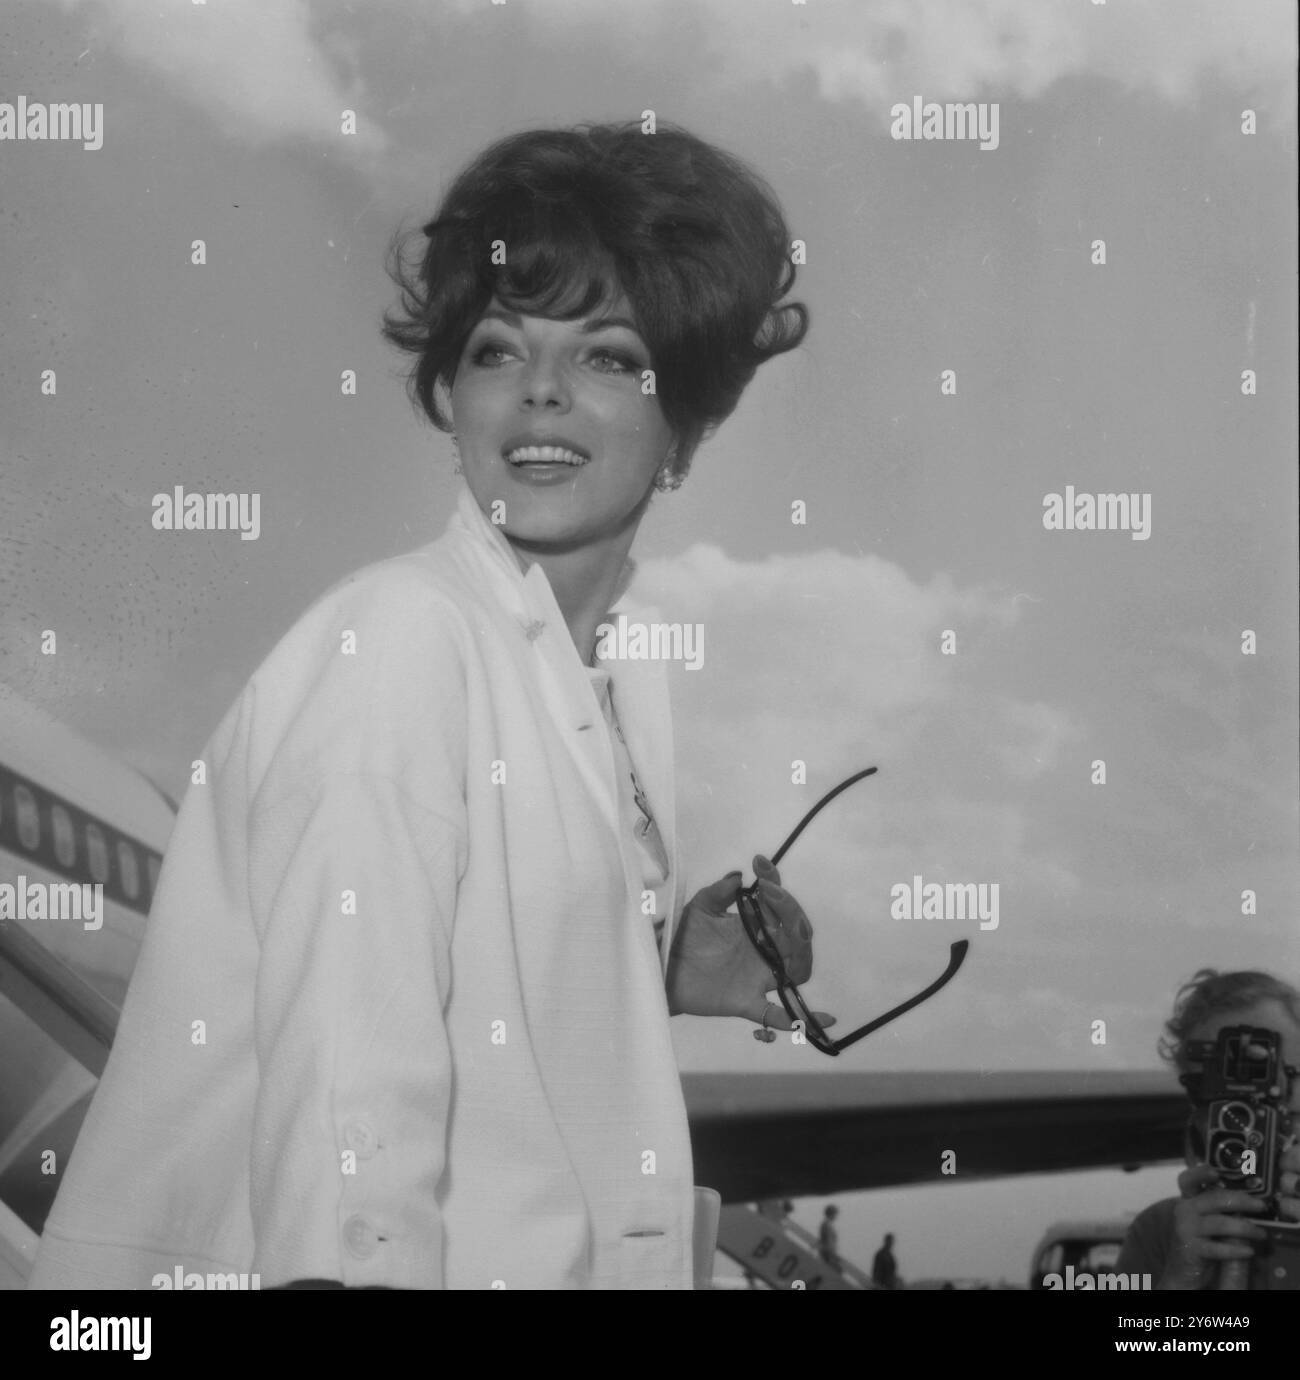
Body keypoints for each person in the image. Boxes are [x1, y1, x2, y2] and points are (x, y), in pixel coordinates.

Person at [29, 120, 825, 1290]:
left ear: (684, 431)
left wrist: (649, 966)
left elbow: (465, 996)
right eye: (499, 350)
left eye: (608, 356)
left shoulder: (603, 680)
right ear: (450, 396)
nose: (543, 389)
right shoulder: (399, 640)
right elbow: (354, 1092)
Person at [1116, 969, 1300, 1290]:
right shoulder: (1161, 1232)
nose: (1248, 1106)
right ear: (1197, 1116)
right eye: (1217, 1086)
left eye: (1278, 1077)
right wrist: (1179, 1282)